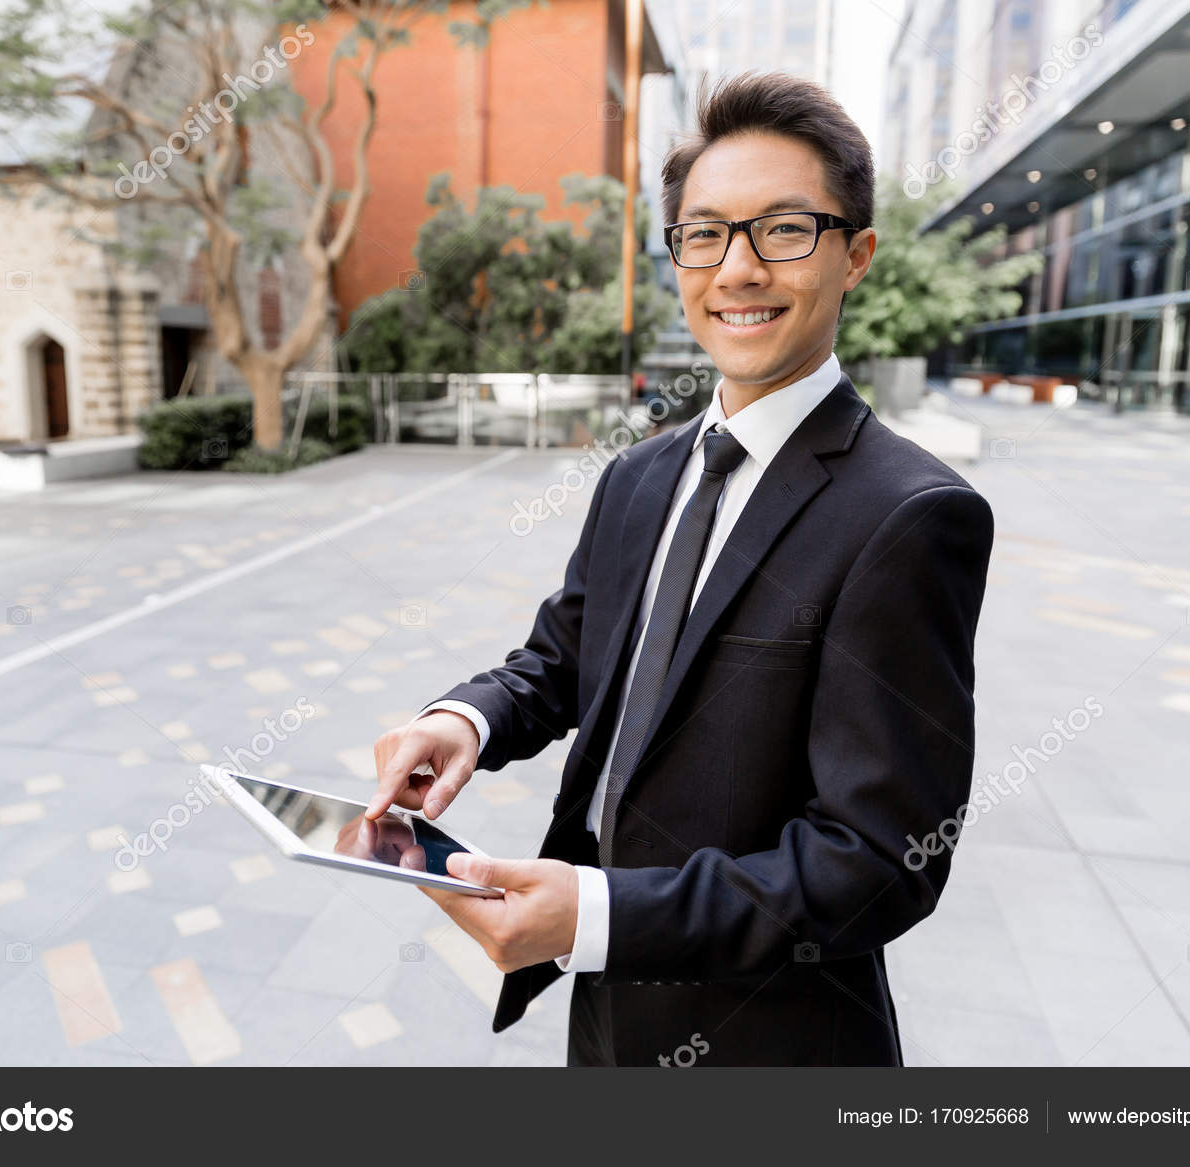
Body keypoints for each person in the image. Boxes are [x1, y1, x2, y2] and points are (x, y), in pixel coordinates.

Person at [366, 71, 994, 1066]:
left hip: (771, 1039)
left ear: (855, 256)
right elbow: (570, 654)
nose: (736, 269)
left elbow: (881, 863)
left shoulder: (910, 517)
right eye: (704, 235)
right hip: (609, 1013)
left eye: (784, 230)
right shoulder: (638, 474)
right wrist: (466, 720)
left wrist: (600, 914)